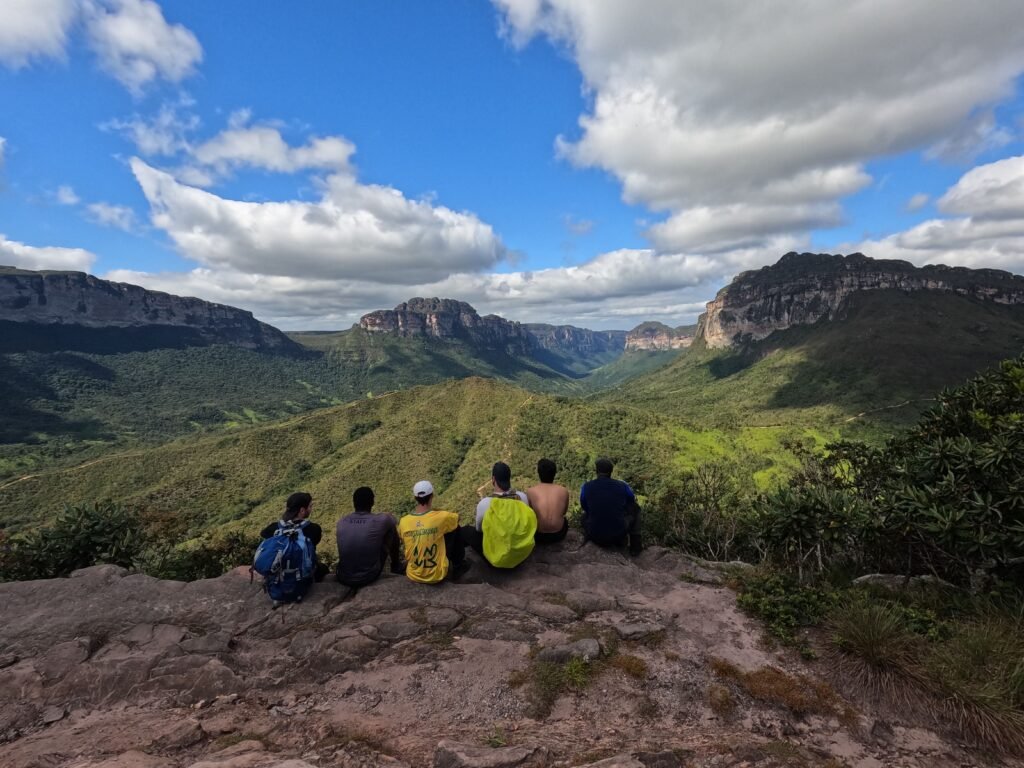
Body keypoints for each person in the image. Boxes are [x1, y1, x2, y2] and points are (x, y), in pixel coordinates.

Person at [255, 492, 327, 604]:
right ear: (302, 510)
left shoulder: (274, 528)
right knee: (323, 569)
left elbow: (263, 534)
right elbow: (314, 545)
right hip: (300, 579)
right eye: (310, 506)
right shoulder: (314, 529)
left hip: (277, 578)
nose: (311, 508)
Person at [463, 462, 537, 567]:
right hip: (521, 555)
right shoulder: (522, 497)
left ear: (493, 479)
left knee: (466, 530)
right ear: (509, 478)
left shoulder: (485, 504)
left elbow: (479, 529)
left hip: (497, 559)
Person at [397, 480, 470, 583]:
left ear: (415, 498)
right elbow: (457, 518)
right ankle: (458, 566)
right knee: (454, 527)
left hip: (414, 574)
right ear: (432, 496)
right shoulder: (441, 517)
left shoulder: (404, 521)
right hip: (437, 575)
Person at [335, 486, 404, 588]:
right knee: (390, 529)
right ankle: (396, 566)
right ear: (372, 502)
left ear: (354, 503)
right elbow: (394, 520)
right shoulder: (381, 520)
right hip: (368, 576)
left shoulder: (342, 522)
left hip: (343, 576)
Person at [580, 458, 643, 555]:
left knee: (584, 516)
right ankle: (635, 546)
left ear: (596, 471)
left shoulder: (586, 486)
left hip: (595, 535)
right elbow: (631, 501)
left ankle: (588, 538)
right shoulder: (623, 486)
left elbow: (585, 507)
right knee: (636, 508)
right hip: (618, 535)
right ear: (611, 472)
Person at [526, 458, 570, 544]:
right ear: (554, 473)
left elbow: (530, 514)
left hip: (538, 535)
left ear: (539, 473)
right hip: (559, 534)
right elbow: (564, 512)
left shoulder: (530, 491)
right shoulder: (564, 491)